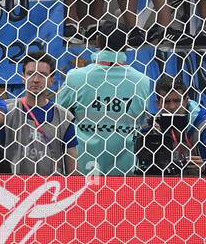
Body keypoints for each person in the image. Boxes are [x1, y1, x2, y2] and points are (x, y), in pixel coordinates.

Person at [55, 31, 153, 175]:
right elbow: (142, 120)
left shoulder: (76, 77)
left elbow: (57, 115)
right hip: (125, 168)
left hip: (83, 167)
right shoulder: (142, 81)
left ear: (98, 42)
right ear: (126, 46)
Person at [0, 53, 79, 175]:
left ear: (52, 80)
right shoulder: (5, 109)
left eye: (42, 75)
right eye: (30, 74)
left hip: (50, 189)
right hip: (11, 188)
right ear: (23, 77)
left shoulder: (64, 117)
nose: (36, 80)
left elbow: (73, 171)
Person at [138, 75, 206, 176]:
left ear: (186, 100)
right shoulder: (155, 129)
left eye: (177, 101)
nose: (172, 107)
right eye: (166, 102)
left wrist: (205, 165)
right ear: (158, 104)